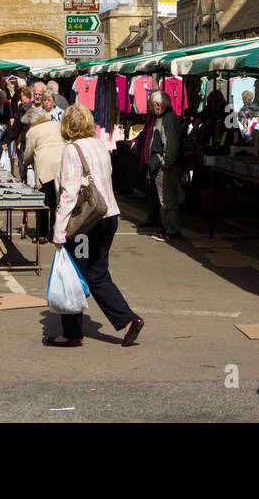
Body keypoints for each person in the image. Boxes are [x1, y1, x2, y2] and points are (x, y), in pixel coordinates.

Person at [47, 103, 143, 347]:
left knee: (75, 275)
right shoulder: (99, 145)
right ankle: (128, 318)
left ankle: (71, 333)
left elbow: (69, 193)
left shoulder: (72, 150)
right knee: (97, 274)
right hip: (108, 216)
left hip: (84, 224)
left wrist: (59, 230)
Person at [22, 105, 65, 243]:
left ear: (31, 122)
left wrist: (24, 163)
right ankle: (55, 232)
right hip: (61, 164)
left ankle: (41, 233)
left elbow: (28, 154)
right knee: (56, 201)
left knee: (43, 201)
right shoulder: (56, 124)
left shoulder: (32, 131)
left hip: (45, 167)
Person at [147, 89, 183, 241]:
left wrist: (164, 163)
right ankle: (168, 227)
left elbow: (171, 145)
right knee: (164, 199)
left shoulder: (168, 119)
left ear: (157, 105)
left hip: (166, 167)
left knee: (167, 199)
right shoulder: (165, 118)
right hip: (163, 165)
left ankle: (172, 230)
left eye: (152, 105)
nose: (151, 108)